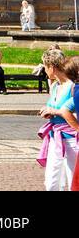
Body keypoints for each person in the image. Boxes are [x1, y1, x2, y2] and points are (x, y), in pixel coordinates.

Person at [37, 48, 77, 191]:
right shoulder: (54, 86)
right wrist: (48, 111)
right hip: (55, 137)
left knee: (73, 180)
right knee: (51, 182)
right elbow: (52, 106)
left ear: (52, 67)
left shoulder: (72, 87)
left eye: (45, 67)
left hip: (72, 139)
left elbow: (75, 114)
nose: (44, 70)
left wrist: (55, 111)